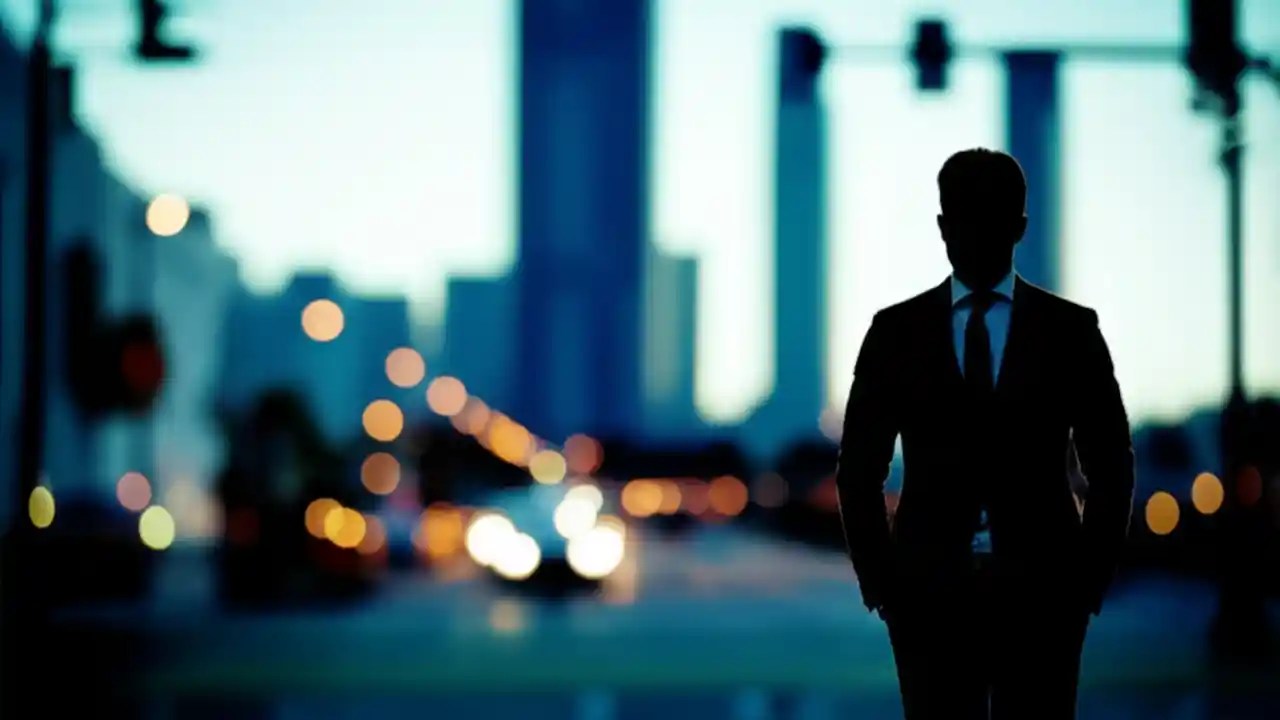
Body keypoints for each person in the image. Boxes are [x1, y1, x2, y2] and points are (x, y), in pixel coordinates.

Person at [836, 148, 1135, 718]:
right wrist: (885, 587)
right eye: (963, 216)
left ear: (1019, 226)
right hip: (927, 600)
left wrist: (1083, 587)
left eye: (991, 215)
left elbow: (1112, 465)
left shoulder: (1071, 332)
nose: (974, 231)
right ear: (943, 226)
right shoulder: (894, 333)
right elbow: (858, 471)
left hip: (1044, 599)